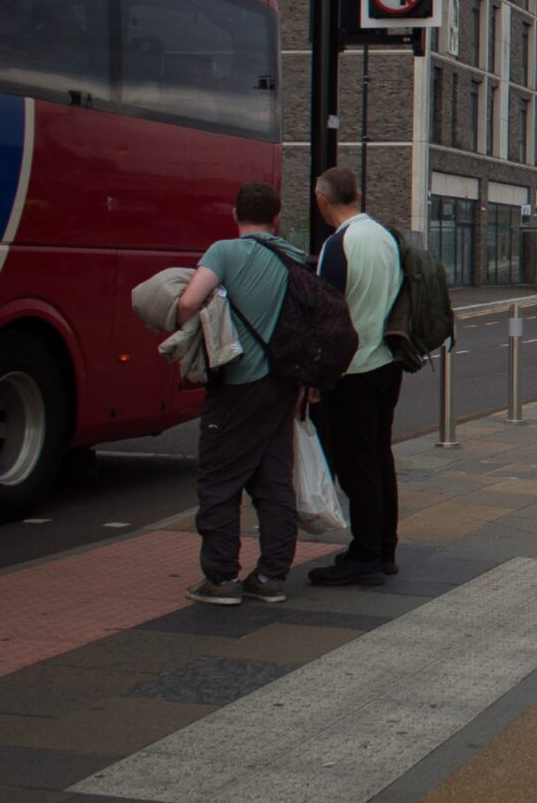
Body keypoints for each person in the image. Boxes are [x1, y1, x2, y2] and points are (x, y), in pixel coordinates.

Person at [171, 181, 303, 606]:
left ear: (235, 215)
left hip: (236, 383)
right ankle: (271, 576)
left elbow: (188, 302)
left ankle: (222, 577)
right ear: (276, 217)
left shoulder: (224, 252)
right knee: (273, 480)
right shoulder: (293, 257)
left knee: (218, 479)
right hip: (281, 385)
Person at [307, 167, 405, 587]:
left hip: (353, 369)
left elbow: (325, 313)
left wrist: (315, 376)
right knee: (379, 457)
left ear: (321, 200)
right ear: (358, 195)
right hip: (386, 362)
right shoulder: (385, 237)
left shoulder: (339, 244)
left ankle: (364, 555)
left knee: (356, 464)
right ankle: (384, 548)